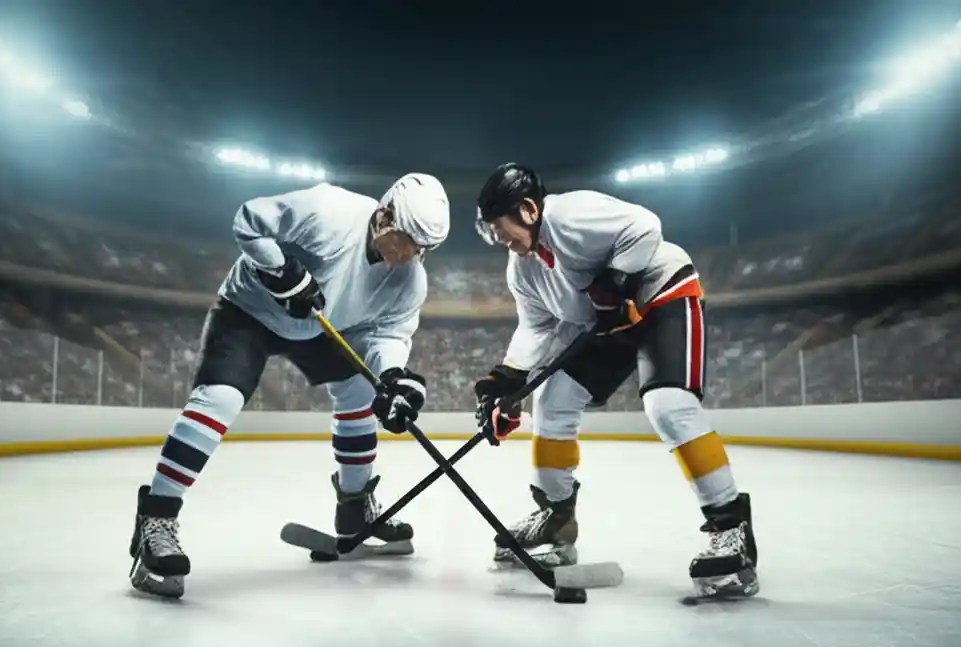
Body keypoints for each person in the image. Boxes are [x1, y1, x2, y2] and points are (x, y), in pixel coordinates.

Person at [129, 173, 450, 598]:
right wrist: (279, 270)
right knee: (220, 400)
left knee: (359, 391)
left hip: (319, 325)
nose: (409, 255)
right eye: (407, 239)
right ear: (385, 214)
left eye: (422, 249)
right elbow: (249, 221)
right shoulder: (329, 211)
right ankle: (156, 518)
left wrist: (394, 379)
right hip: (249, 311)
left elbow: (389, 335)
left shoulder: (410, 279)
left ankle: (355, 510)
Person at [471, 163, 758, 599]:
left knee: (668, 404)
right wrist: (503, 382)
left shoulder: (571, 214)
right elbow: (536, 328)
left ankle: (731, 527)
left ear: (529, 209)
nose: (500, 240)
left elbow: (646, 227)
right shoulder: (522, 269)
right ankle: (556, 518)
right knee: (550, 399)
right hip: (604, 322)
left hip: (661, 294)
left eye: (500, 228)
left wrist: (617, 279)